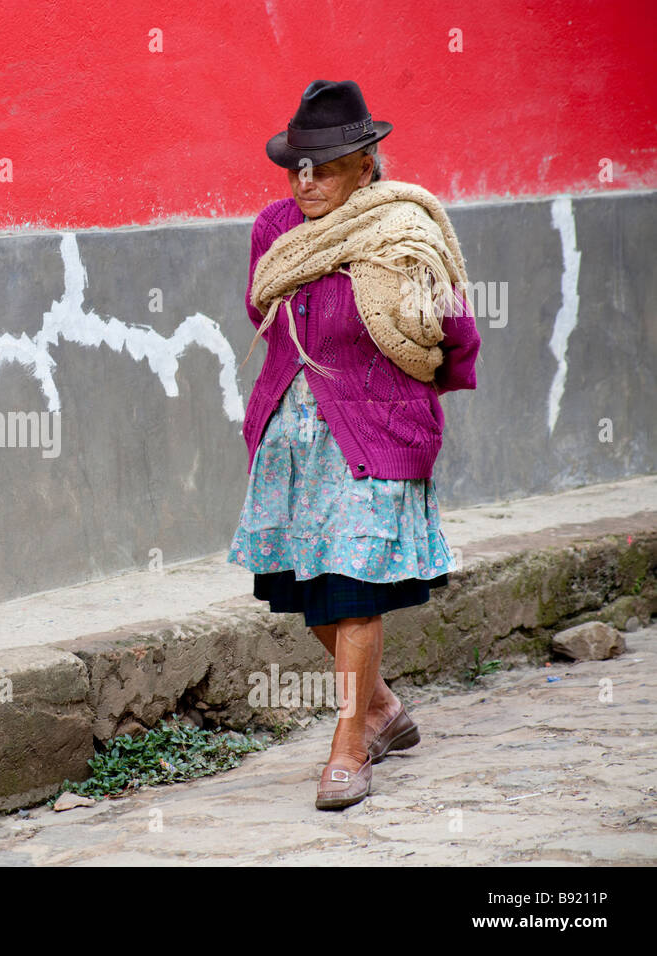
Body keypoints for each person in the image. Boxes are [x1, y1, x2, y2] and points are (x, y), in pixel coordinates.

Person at [226, 80, 482, 810]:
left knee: (356, 588)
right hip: (293, 435)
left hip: (373, 428)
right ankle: (381, 710)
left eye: (326, 167)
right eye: (297, 167)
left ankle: (348, 748)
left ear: (366, 164)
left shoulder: (405, 231)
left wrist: (424, 392)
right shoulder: (274, 228)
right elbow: (262, 307)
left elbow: (453, 329)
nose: (306, 183)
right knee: (311, 593)